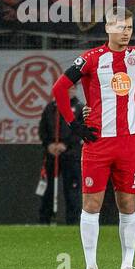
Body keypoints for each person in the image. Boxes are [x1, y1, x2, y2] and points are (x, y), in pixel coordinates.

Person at [49, 6, 135, 269]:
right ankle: (91, 268)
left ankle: (127, 268)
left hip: (128, 142)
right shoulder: (91, 59)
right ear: (108, 28)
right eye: (120, 27)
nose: (126, 33)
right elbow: (60, 88)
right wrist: (75, 125)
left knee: (128, 204)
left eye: (130, 28)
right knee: (92, 204)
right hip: (98, 143)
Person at [37, 94, 82, 226]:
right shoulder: (51, 108)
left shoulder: (79, 108)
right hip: (52, 155)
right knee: (48, 189)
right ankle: (45, 220)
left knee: (72, 190)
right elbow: (42, 130)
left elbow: (80, 130)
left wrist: (66, 144)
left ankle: (73, 222)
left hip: (71, 155)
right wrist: (49, 144)